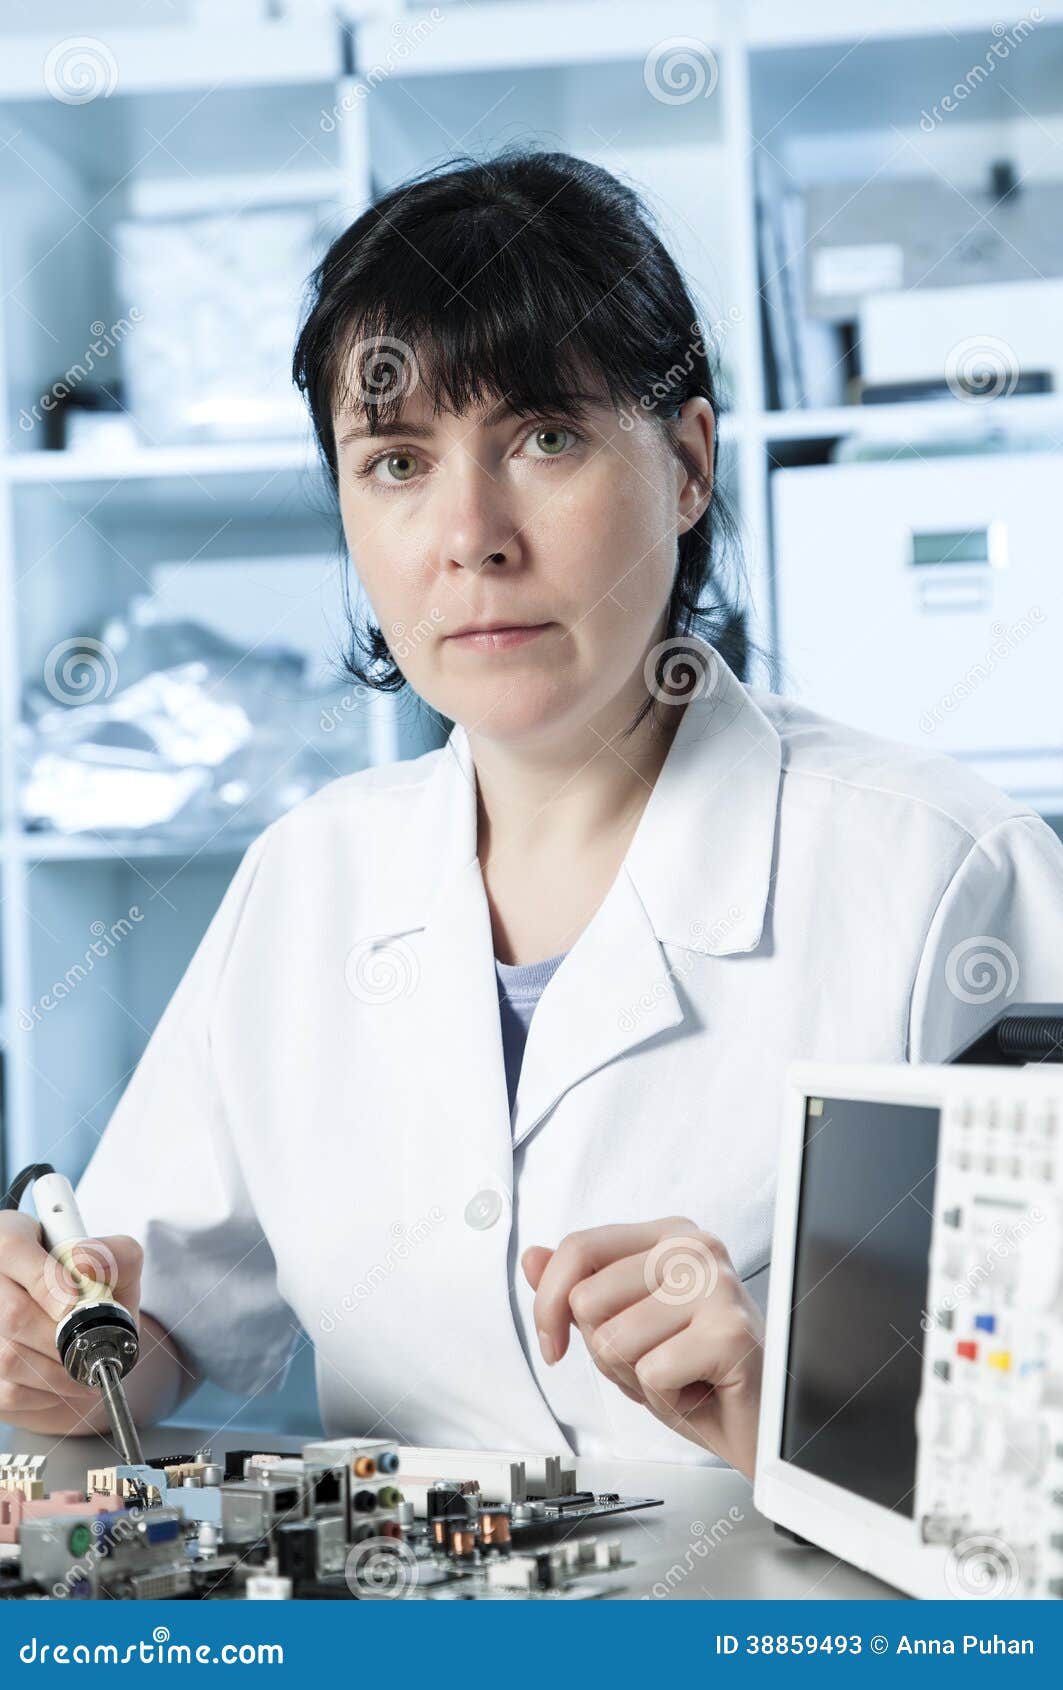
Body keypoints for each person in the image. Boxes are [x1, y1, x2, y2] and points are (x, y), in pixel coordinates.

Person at [2, 151, 1062, 1481]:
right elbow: (151, 1326)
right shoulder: (310, 879)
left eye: (544, 438)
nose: (471, 534)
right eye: (396, 461)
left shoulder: (947, 879)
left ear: (685, 466)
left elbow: (1039, 1465)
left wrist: (789, 1407)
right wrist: (52, 1346)